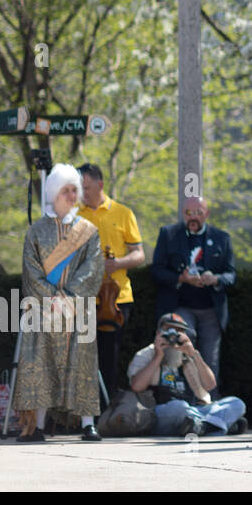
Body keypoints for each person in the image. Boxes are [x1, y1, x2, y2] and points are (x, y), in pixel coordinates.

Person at [14, 163, 104, 442]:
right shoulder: (36, 231)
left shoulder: (88, 230)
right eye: (66, 190)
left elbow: (93, 267)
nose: (72, 195)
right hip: (44, 309)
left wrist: (69, 297)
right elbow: (30, 270)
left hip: (77, 308)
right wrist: (50, 298)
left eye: (75, 190)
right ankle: (37, 426)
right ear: (54, 193)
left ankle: (88, 424)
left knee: (83, 365)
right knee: (41, 364)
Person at [77, 163, 144, 407]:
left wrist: (118, 263)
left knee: (109, 356)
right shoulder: (74, 215)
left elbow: (139, 254)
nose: (82, 193)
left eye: (86, 188)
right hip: (84, 298)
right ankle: (84, 414)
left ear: (100, 185)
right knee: (83, 357)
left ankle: (106, 411)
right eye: (79, 188)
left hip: (117, 300)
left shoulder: (123, 213)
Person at [151, 196, 236, 385]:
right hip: (180, 306)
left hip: (211, 310)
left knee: (209, 360)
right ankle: (178, 399)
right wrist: (181, 278)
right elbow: (156, 270)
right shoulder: (169, 234)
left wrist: (215, 279)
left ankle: (209, 404)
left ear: (206, 213)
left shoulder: (222, 238)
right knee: (180, 347)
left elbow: (231, 275)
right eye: (189, 213)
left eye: (198, 213)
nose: (193, 217)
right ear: (183, 214)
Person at [127, 313, 246, 436]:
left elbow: (210, 385)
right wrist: (158, 356)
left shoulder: (188, 354)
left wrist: (194, 354)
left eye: (179, 331)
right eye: (169, 330)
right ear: (158, 332)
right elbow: (136, 387)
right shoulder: (145, 354)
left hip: (192, 409)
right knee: (179, 407)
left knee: (237, 403)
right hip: (160, 413)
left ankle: (200, 426)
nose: (173, 335)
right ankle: (216, 424)